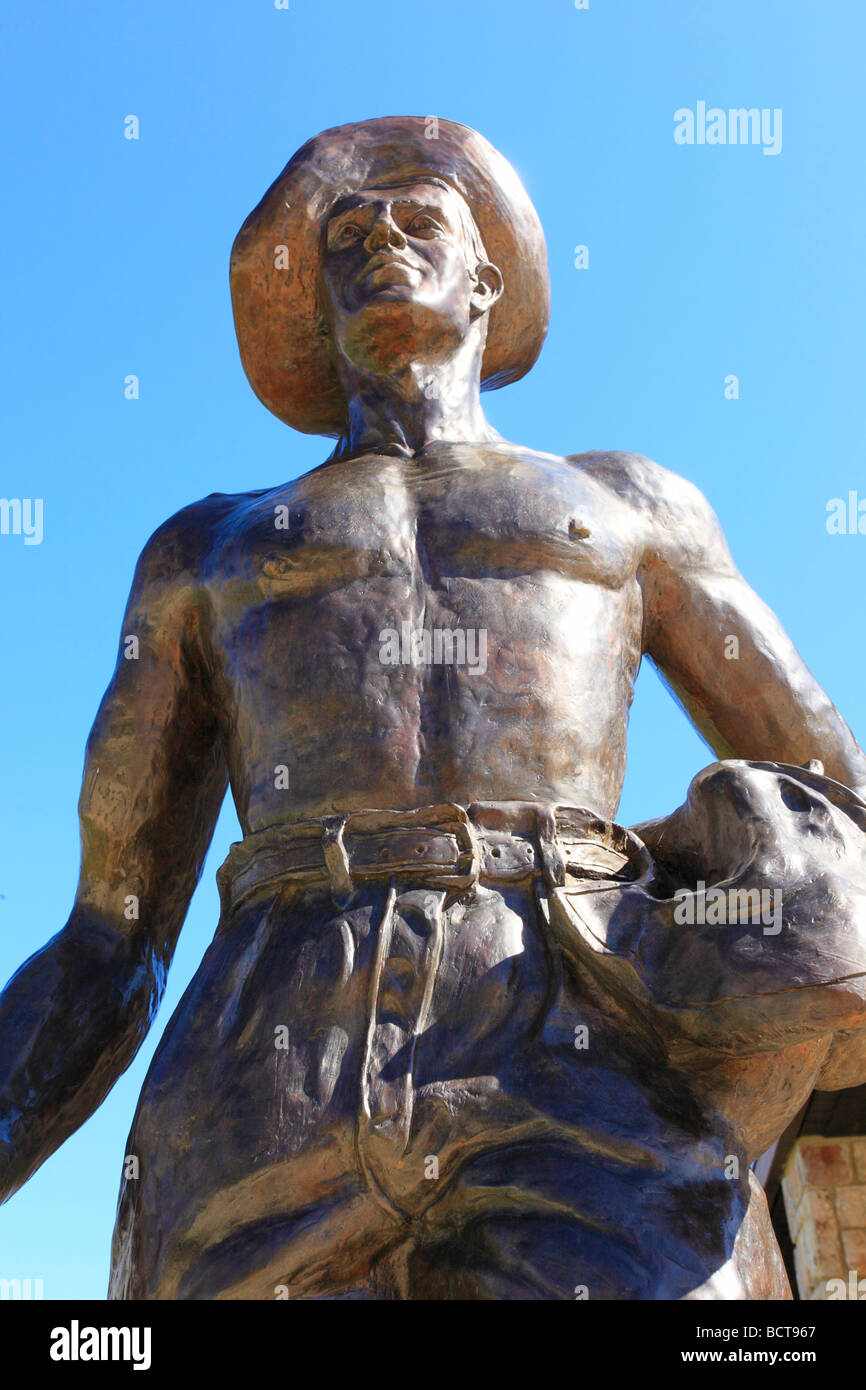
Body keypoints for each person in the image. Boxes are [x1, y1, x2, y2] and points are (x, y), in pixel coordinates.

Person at [3, 117, 866, 1300]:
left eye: (419, 223)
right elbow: (111, 932)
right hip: (270, 1044)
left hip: (574, 1020)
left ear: (487, 280)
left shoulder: (624, 507)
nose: (378, 243)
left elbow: (834, 790)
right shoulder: (208, 549)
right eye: (346, 235)